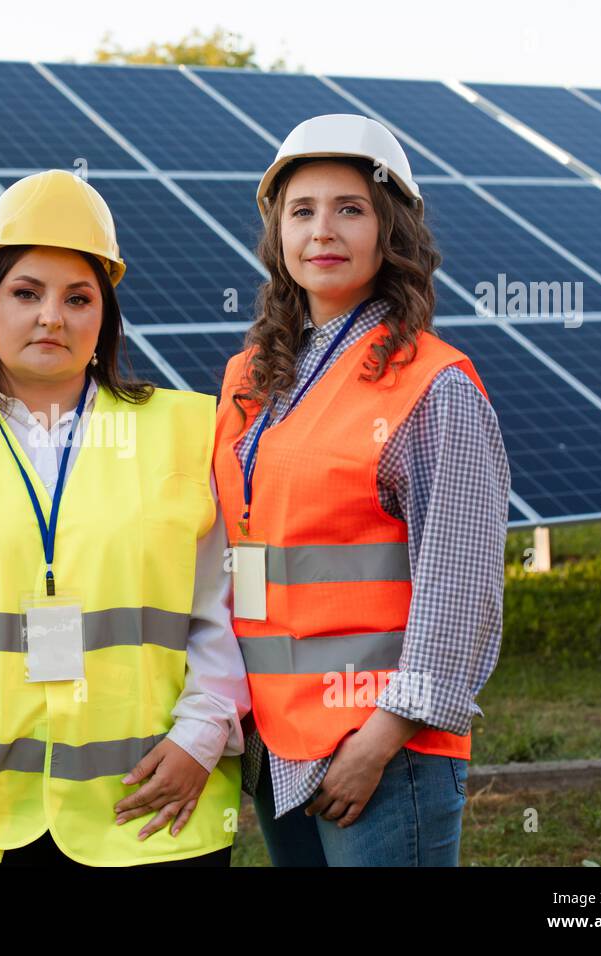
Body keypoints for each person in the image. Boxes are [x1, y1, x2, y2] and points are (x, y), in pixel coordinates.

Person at [0, 169, 250, 867]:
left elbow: (229, 601)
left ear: (105, 315)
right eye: (26, 293)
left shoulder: (186, 431)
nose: (52, 317)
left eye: (78, 297)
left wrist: (203, 733)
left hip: (158, 810)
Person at [214, 114, 510, 867]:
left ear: (391, 232)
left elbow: (461, 585)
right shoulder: (250, 380)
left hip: (384, 750)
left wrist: (378, 740)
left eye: (351, 208)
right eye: (302, 210)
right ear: (278, 233)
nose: (324, 230)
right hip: (276, 742)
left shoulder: (433, 384)